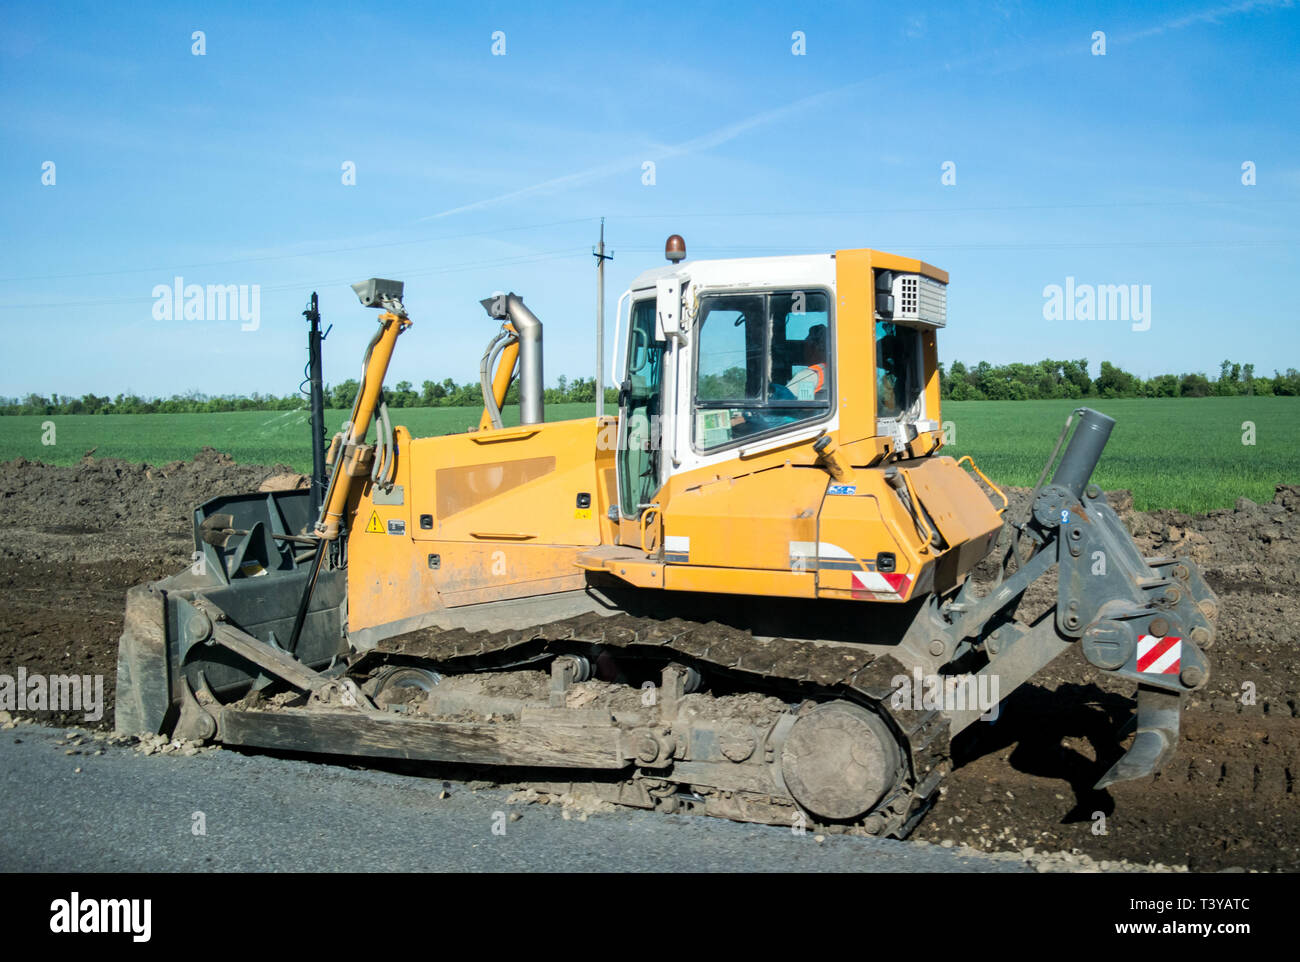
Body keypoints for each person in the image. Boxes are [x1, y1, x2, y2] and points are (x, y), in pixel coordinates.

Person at [786, 323, 828, 401]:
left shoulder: (809, 375)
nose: (803, 352)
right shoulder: (832, 372)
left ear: (813, 348)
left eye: (805, 347)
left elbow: (802, 407)